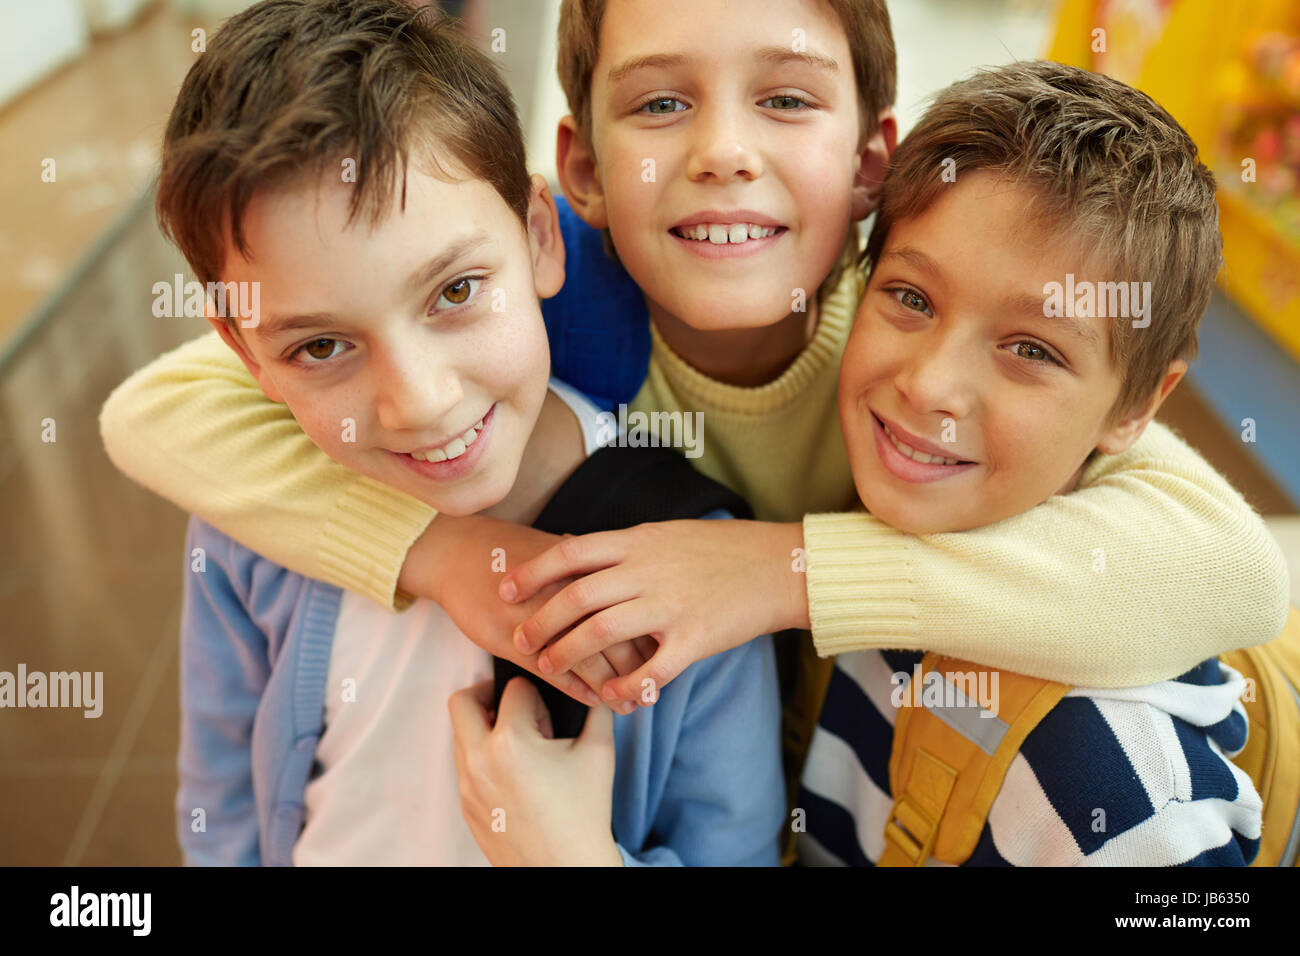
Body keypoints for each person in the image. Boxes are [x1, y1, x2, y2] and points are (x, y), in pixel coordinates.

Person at [101, 0, 1290, 828]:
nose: (723, 152)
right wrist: (451, 550)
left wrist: (773, 570)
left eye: (784, 98)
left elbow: (1237, 575)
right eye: (661, 103)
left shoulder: (929, 348)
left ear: (872, 162)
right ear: (580, 173)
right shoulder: (516, 299)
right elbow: (152, 413)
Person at [149, 0, 782, 866]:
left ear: (537, 237)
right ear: (243, 348)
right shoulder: (249, 516)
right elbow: (219, 801)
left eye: (453, 292)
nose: (418, 402)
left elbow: (735, 851)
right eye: (323, 346)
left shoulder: (697, 573)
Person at [798, 61, 1267, 866]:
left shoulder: (1116, 792)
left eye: (1030, 349)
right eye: (911, 297)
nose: (930, 384)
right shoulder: (893, 504)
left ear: (1136, 409)